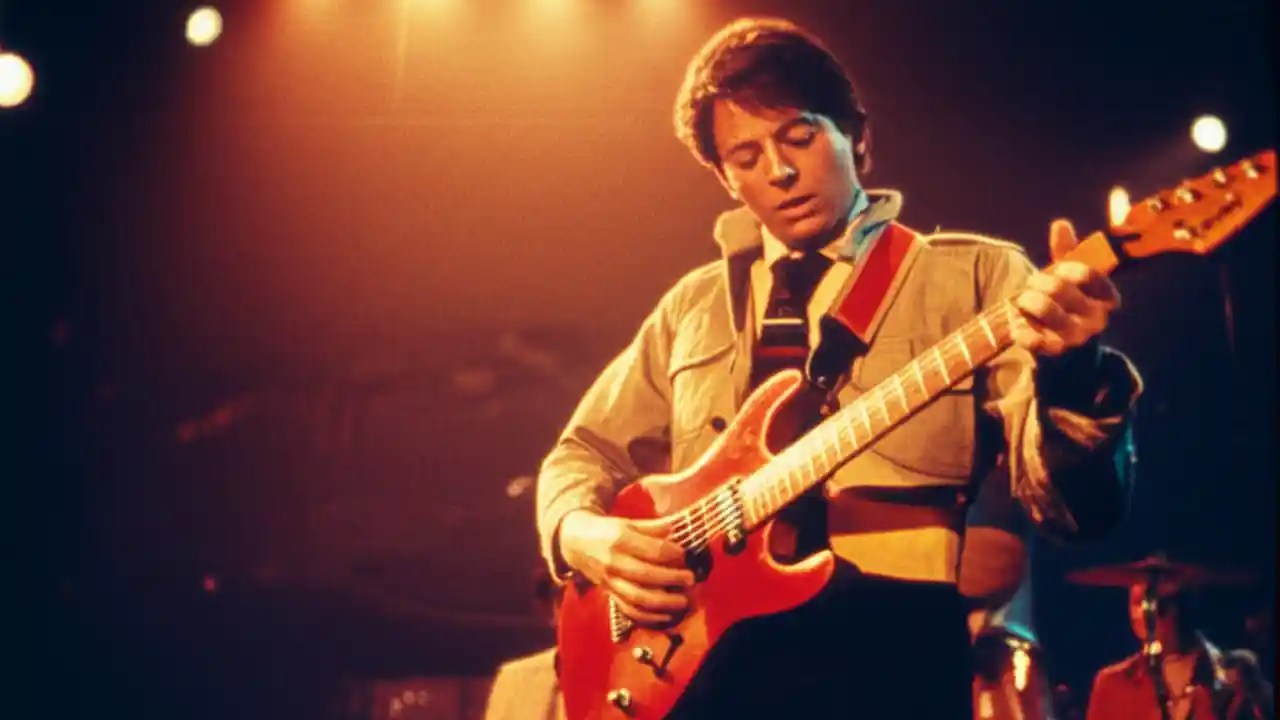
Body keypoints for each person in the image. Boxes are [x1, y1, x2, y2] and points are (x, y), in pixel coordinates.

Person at [536, 16, 1141, 718]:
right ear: (726, 178)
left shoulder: (977, 275)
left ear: (858, 136)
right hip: (700, 667)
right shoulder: (692, 306)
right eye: (747, 155)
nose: (780, 170)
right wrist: (584, 536)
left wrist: (1073, 373)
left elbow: (1079, 510)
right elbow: (580, 452)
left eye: (800, 136)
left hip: (890, 658)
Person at [1086, 578, 1274, 720]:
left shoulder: (1231, 675)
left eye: (1160, 602)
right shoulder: (1112, 683)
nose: (1146, 612)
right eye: (1138, 602)